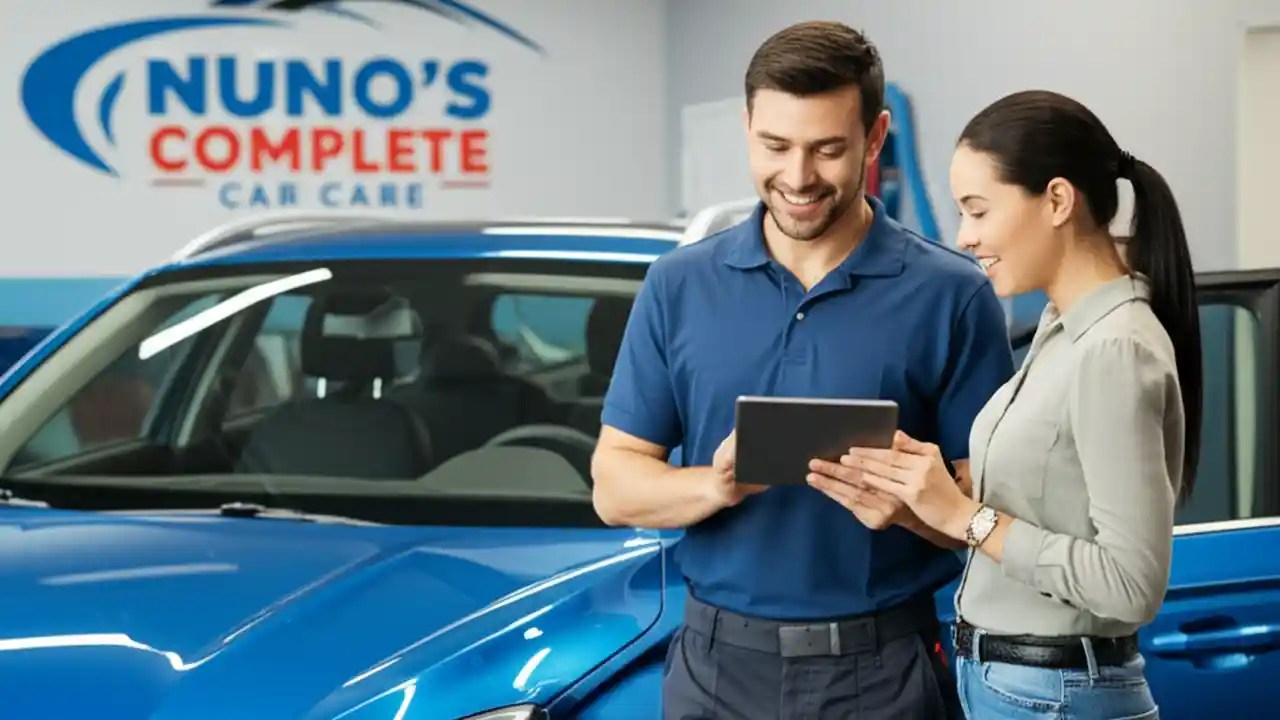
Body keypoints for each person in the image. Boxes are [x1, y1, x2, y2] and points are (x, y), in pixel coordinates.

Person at [590, 20, 1015, 719]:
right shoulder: (678, 285)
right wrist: (716, 484)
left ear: (874, 139)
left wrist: (912, 510)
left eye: (827, 150)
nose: (797, 177)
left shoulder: (952, 294)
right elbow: (615, 486)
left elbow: (995, 511)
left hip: (884, 673)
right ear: (747, 125)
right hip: (715, 669)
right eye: (775, 146)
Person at [848, 89, 1200, 719]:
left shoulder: (1114, 349)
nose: (964, 236)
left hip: (1058, 695)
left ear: (1058, 201)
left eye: (979, 211)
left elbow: (1130, 584)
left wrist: (964, 518)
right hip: (1020, 688)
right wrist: (920, 498)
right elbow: (1047, 502)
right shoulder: (1061, 330)